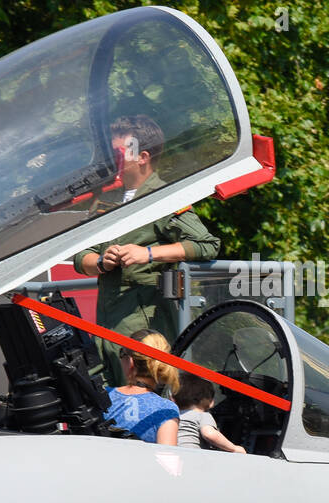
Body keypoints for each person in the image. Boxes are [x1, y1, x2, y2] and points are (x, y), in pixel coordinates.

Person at [72, 115, 220, 384]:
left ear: (142, 157)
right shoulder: (107, 200)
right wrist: (103, 262)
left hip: (143, 329)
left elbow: (207, 244)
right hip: (106, 323)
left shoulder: (163, 198)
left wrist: (148, 254)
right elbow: (81, 257)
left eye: (117, 152)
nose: (110, 159)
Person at [103, 330, 180, 445]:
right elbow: (168, 458)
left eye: (121, 353)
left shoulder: (103, 396)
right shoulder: (166, 409)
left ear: (130, 361)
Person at [174, 372, 246, 453]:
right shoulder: (202, 415)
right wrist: (234, 448)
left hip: (174, 452)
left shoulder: (175, 416)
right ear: (209, 401)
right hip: (192, 456)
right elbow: (209, 434)